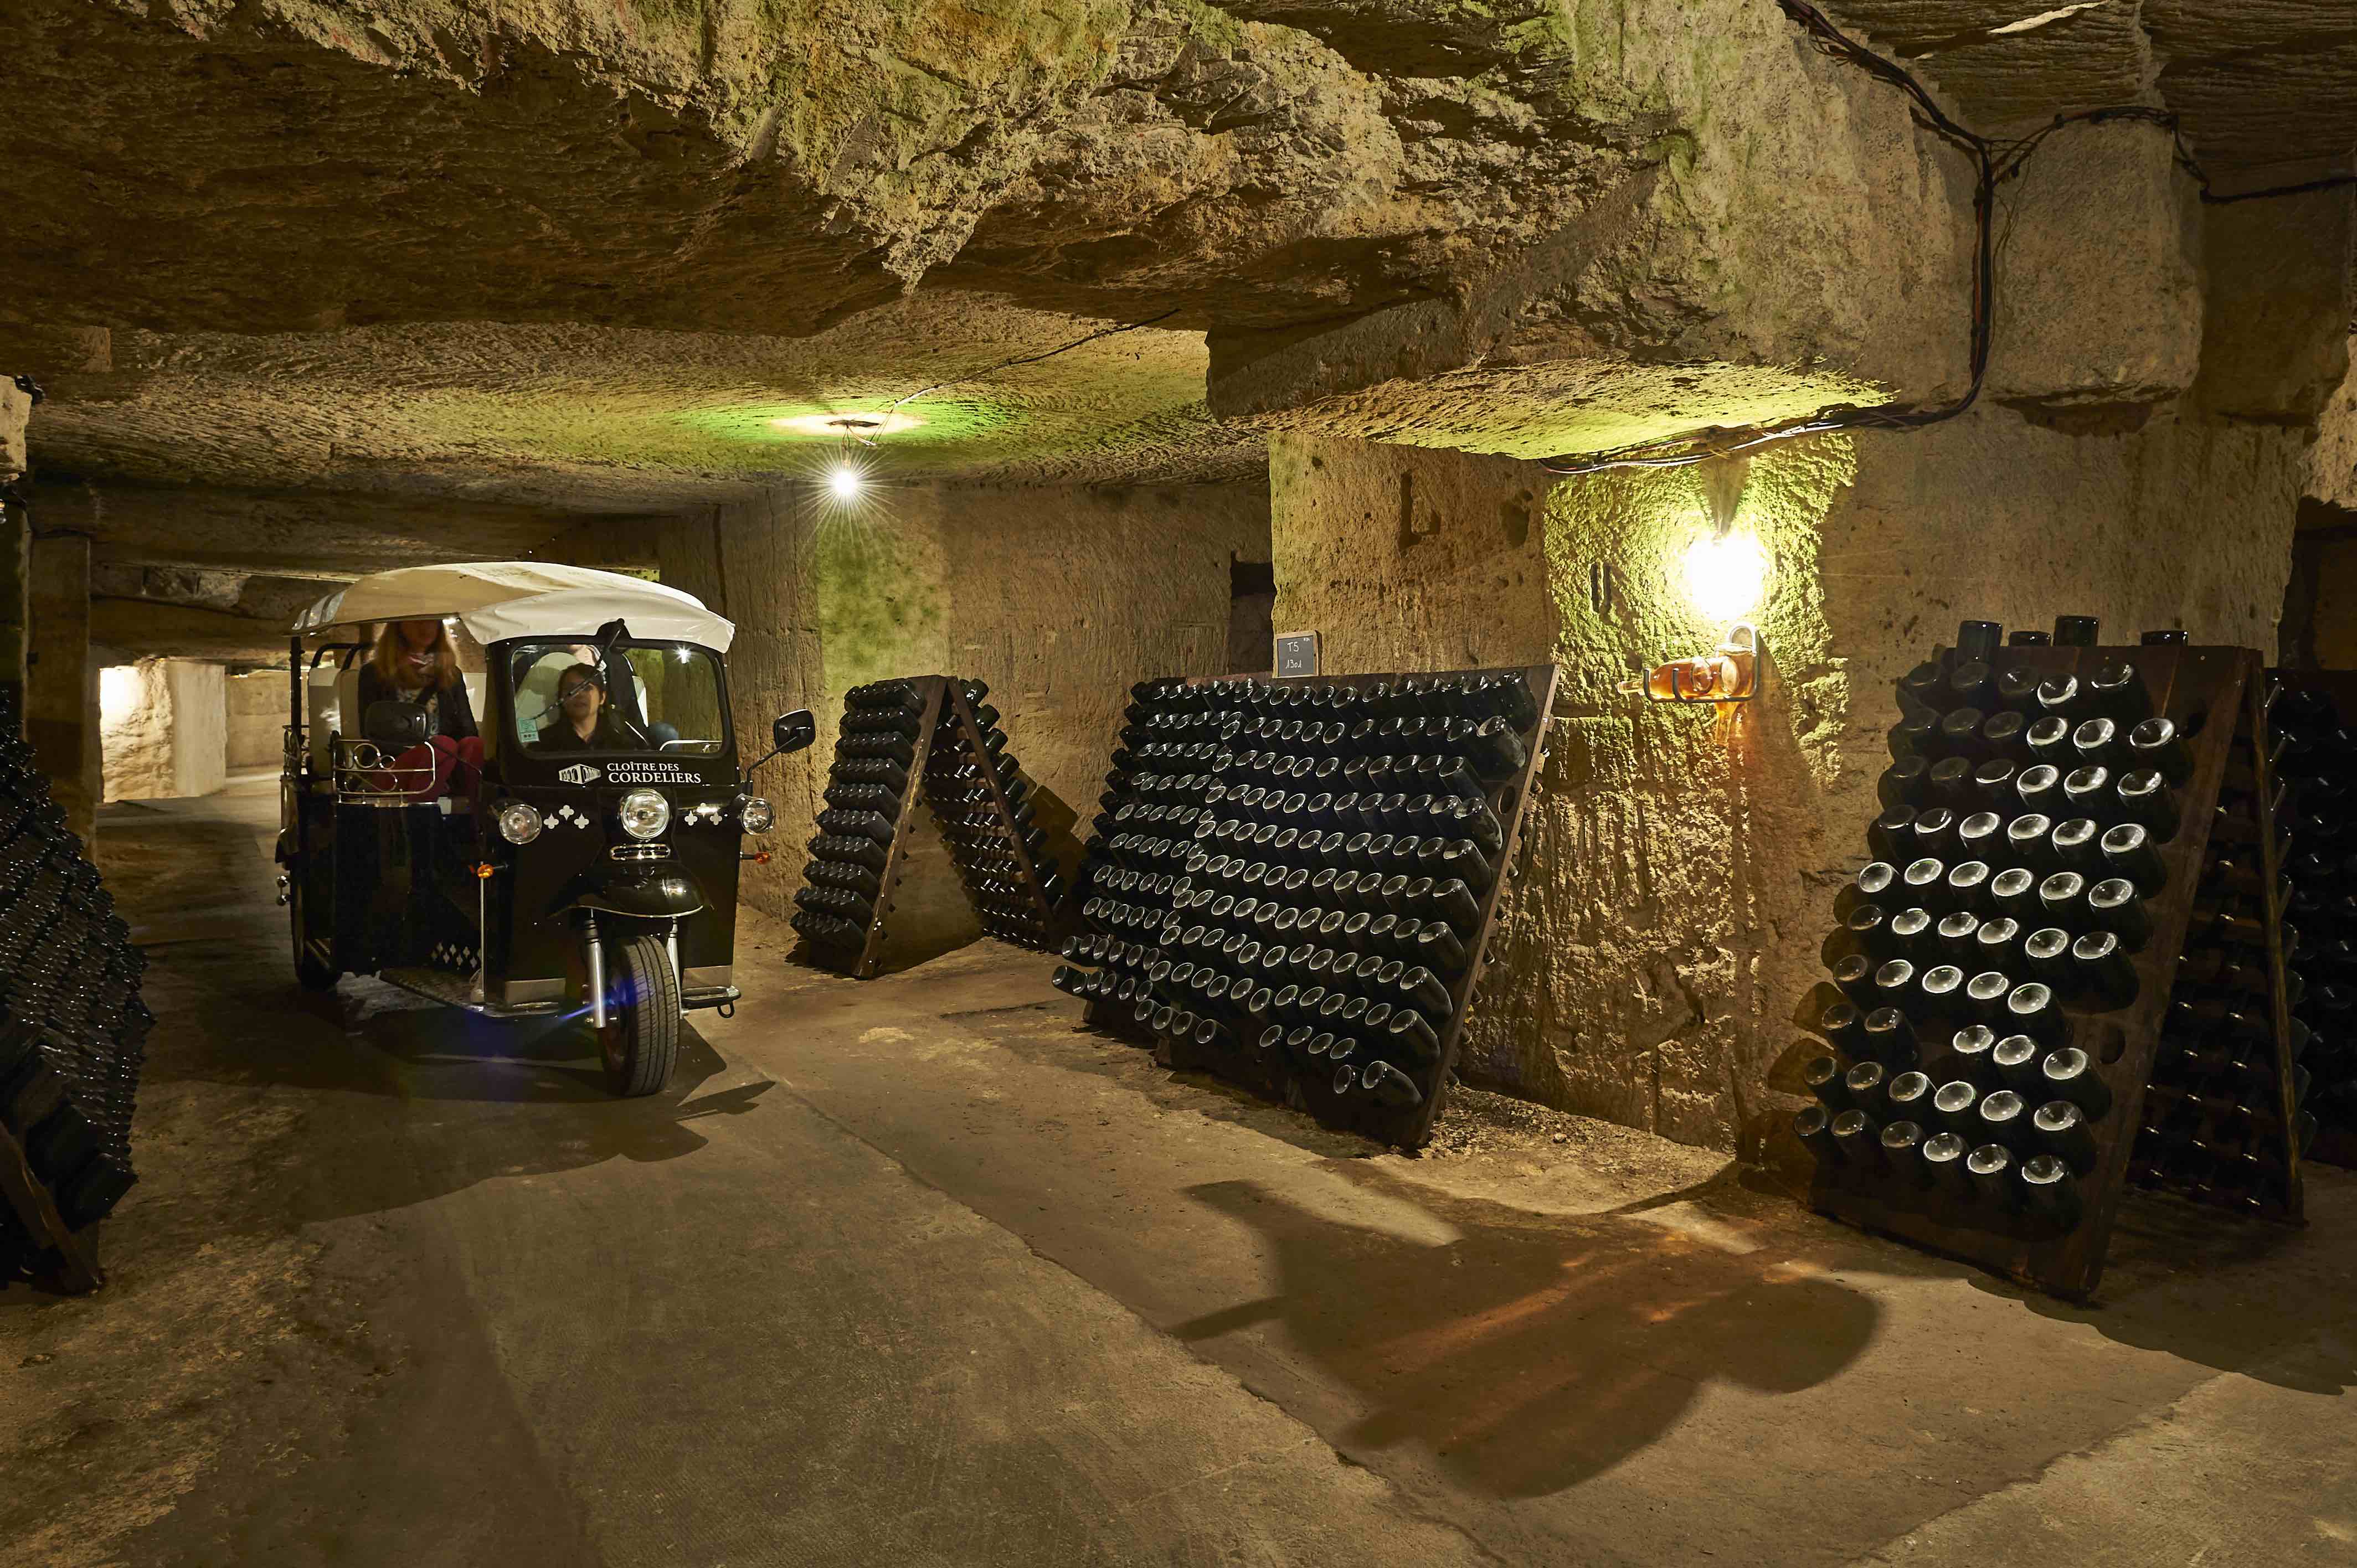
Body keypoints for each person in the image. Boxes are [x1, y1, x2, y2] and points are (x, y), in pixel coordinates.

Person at [357, 618, 482, 799]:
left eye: (433, 622)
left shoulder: (450, 673)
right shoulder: (375, 672)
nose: (426, 627)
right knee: (441, 745)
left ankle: (473, 816)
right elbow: (371, 732)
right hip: (392, 762)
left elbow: (467, 729)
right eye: (418, 622)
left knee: (473, 745)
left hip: (444, 760)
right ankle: (419, 817)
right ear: (398, 626)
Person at [532, 663, 630, 751]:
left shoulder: (622, 746)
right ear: (561, 698)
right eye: (571, 689)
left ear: (602, 698)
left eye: (587, 688)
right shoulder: (542, 745)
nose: (579, 694)